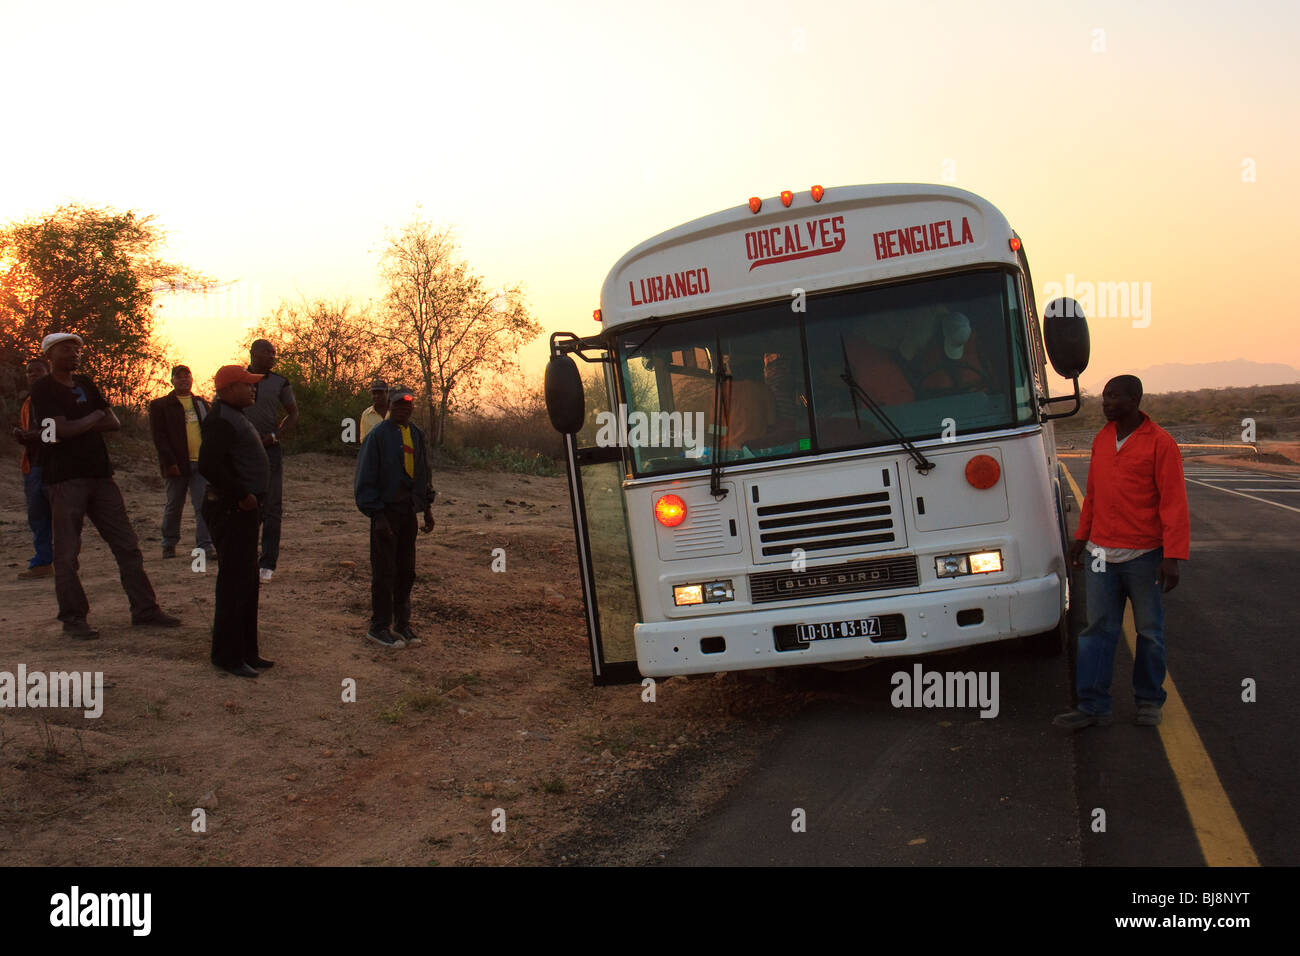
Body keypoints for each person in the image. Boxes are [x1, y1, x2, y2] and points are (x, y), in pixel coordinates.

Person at [1054, 375, 1190, 731]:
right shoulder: (1101, 441)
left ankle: (1148, 700)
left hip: (1144, 555)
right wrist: (1080, 538)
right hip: (1101, 553)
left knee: (1149, 632)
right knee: (1096, 630)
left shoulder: (1160, 443)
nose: (1106, 403)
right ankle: (1092, 706)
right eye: (1104, 397)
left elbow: (1174, 503)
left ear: (1135, 399)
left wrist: (1172, 556)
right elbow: (1094, 496)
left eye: (1113, 397)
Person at [28, 333, 181, 639]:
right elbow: (61, 429)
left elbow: (114, 422)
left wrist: (80, 423)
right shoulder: (42, 389)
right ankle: (73, 619)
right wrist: (92, 416)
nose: (74, 353)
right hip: (65, 478)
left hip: (100, 475)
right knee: (67, 553)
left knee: (126, 545)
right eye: (66, 349)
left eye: (76, 348)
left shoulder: (85, 382)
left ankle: (145, 609)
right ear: (50, 354)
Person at [199, 365, 273, 678]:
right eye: (247, 385)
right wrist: (242, 494)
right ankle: (226, 657)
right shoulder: (220, 419)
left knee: (246, 581)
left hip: (244, 509)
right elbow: (208, 465)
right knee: (233, 582)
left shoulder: (235, 415)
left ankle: (246, 652)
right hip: (231, 510)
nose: (253, 389)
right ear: (229, 389)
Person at [354, 386, 435, 649]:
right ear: (390, 405)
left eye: (408, 404)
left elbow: (423, 473)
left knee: (406, 571)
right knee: (384, 572)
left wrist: (428, 509)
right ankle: (379, 627)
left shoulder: (416, 434)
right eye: (399, 404)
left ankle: (402, 624)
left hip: (408, 512)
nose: (404, 408)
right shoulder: (377, 436)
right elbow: (365, 479)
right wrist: (377, 516)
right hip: (385, 513)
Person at [242, 339, 298, 583]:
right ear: (253, 353)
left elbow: (293, 413)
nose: (272, 356)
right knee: (246, 503)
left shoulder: (279, 382)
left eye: (274, 353)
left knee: (273, 507)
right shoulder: (238, 379)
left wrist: (275, 435)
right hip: (243, 452)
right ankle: (244, 559)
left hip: (270, 450)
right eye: (267, 352)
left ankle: (268, 564)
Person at [148, 365, 214, 561]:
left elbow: (209, 431)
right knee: (174, 506)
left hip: (200, 464)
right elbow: (159, 438)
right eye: (179, 377)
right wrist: (169, 462)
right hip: (176, 464)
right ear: (172, 380)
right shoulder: (160, 405)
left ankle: (204, 547)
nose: (184, 380)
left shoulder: (201, 403)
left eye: (187, 376)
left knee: (203, 506)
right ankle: (168, 544)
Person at [11, 357, 53, 579]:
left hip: (52, 465)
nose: (32, 375)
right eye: (29, 372)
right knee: (38, 515)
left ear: (48, 372)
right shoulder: (29, 401)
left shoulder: (52, 397)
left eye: (37, 371)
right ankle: (43, 561)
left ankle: (53, 561)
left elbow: (53, 433)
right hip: (33, 464)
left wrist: (28, 436)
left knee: (57, 515)